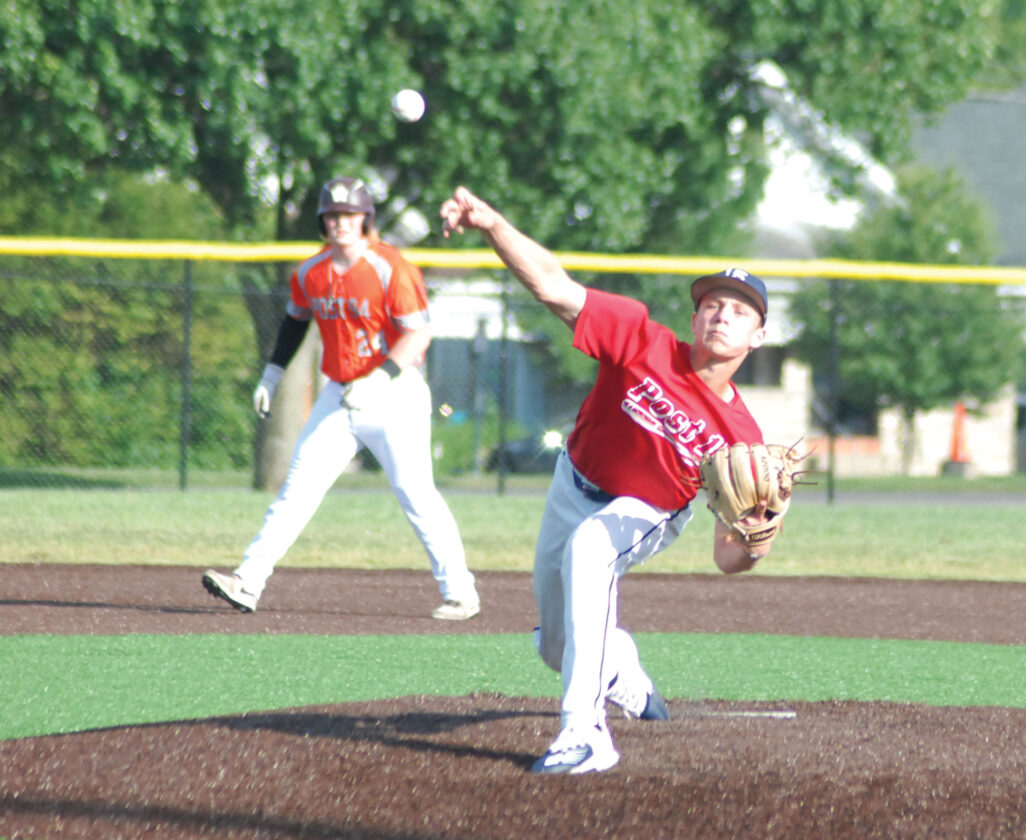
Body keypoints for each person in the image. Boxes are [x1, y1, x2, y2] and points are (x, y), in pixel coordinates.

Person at [439, 186, 776, 773]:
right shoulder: (641, 338)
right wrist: (492, 222)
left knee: (592, 547)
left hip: (649, 512)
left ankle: (585, 733)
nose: (723, 315)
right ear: (694, 317)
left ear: (759, 336)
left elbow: (728, 558)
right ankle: (622, 672)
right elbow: (552, 285)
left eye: (740, 310)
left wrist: (756, 539)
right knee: (554, 647)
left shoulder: (741, 438)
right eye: (713, 305)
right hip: (573, 483)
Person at [203, 177, 480, 621]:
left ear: (365, 218)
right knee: (296, 492)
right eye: (332, 215)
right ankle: (248, 581)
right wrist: (272, 374)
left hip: (395, 394)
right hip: (339, 395)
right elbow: (295, 322)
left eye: (349, 214)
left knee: (416, 494)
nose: (340, 222)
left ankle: (461, 593)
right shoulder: (311, 271)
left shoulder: (392, 267)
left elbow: (418, 331)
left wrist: (383, 375)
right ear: (322, 221)